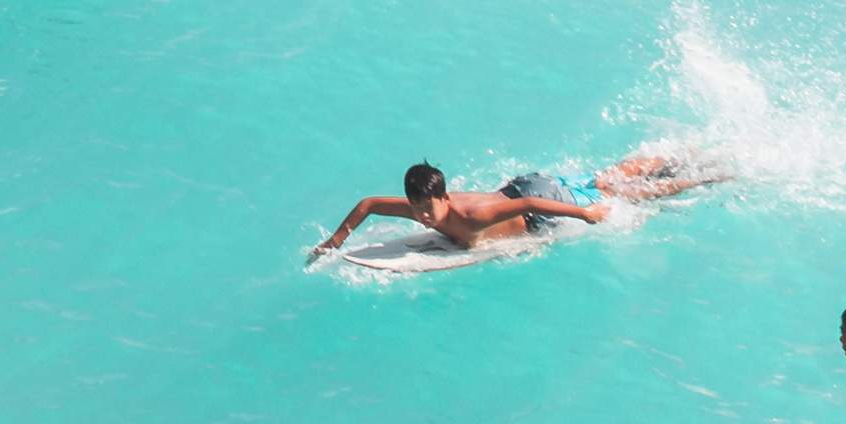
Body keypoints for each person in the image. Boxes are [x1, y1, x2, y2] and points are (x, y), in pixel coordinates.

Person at [307, 153, 726, 262]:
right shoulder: (416, 208)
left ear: (445, 197)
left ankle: (699, 176)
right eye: (418, 210)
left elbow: (527, 203)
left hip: (540, 205)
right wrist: (335, 240)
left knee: (620, 195)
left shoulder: (470, 215)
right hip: (525, 186)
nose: (423, 218)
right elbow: (367, 205)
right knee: (603, 178)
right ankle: (674, 155)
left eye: (429, 210)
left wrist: (586, 216)